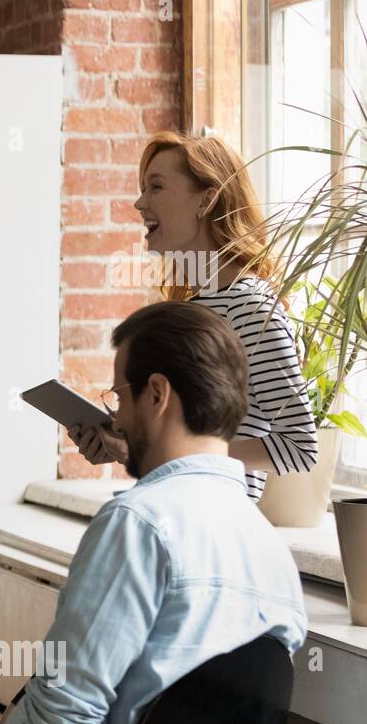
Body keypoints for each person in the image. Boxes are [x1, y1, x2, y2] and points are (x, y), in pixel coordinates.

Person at [0, 301, 306, 724]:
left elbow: (60, 723)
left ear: (157, 394)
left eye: (119, 396)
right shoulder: (274, 553)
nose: (114, 416)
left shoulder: (138, 525)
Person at [68, 131, 316, 502]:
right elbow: (181, 450)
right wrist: (128, 444)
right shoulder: (192, 309)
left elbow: (300, 447)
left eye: (156, 187)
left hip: (211, 532)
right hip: (171, 518)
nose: (139, 203)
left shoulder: (251, 310)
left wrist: (171, 454)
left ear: (207, 199)